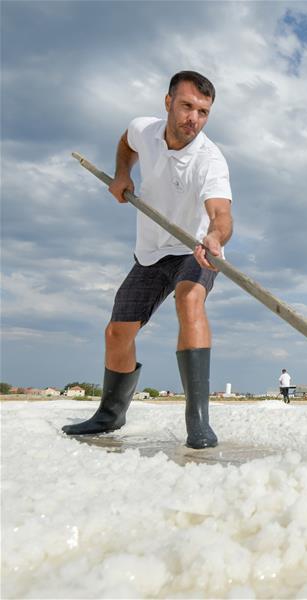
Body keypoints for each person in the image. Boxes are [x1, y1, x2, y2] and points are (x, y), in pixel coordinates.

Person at [62, 71, 233, 449]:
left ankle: (198, 423)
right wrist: (123, 173)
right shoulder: (144, 130)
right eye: (187, 106)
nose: (194, 119)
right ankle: (110, 415)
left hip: (196, 250)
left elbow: (221, 215)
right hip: (151, 253)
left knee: (189, 301)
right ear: (168, 101)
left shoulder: (210, 160)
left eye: (203, 112)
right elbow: (126, 141)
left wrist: (215, 238)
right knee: (117, 332)